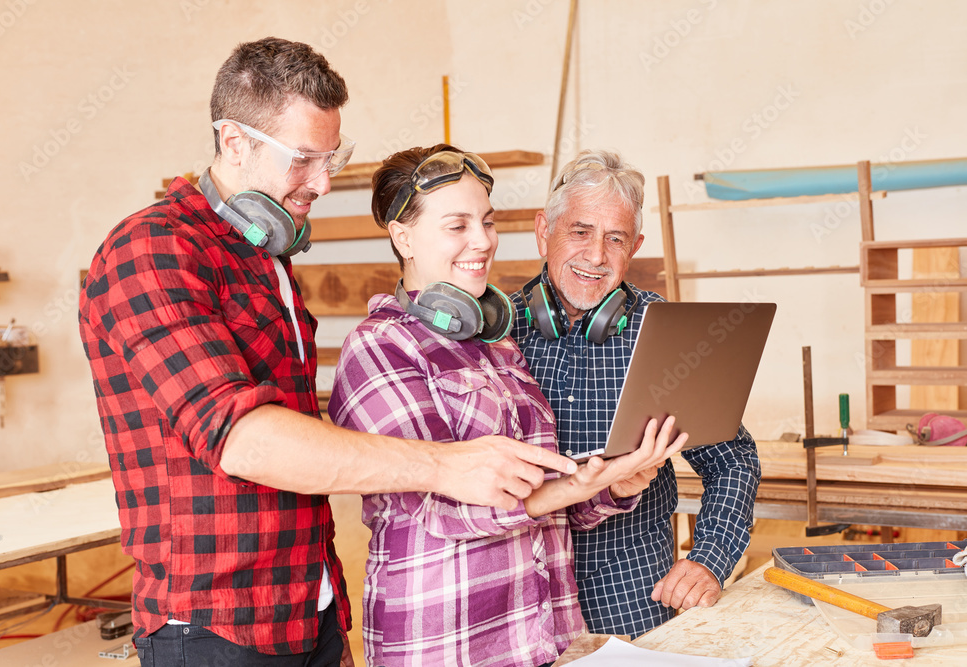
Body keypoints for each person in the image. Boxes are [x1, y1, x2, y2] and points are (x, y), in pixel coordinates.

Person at [78, 38, 578, 667]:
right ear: (234, 143)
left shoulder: (269, 263)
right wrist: (444, 466)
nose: (322, 181)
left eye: (331, 157)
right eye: (303, 160)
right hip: (213, 625)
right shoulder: (151, 252)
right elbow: (244, 440)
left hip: (309, 608)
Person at [327, 144, 688, 667]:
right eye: (458, 226)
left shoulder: (496, 343)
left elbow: (545, 500)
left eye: (488, 222)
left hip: (543, 634)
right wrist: (574, 485)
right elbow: (440, 507)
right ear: (402, 237)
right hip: (448, 641)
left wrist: (611, 485)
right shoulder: (380, 347)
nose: (483, 241)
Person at [509, 149, 762, 637]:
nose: (596, 255)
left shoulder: (663, 333)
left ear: (635, 246)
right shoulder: (498, 334)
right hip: (523, 597)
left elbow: (734, 460)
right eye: (579, 231)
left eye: (615, 238)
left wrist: (709, 559)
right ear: (544, 231)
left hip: (630, 597)